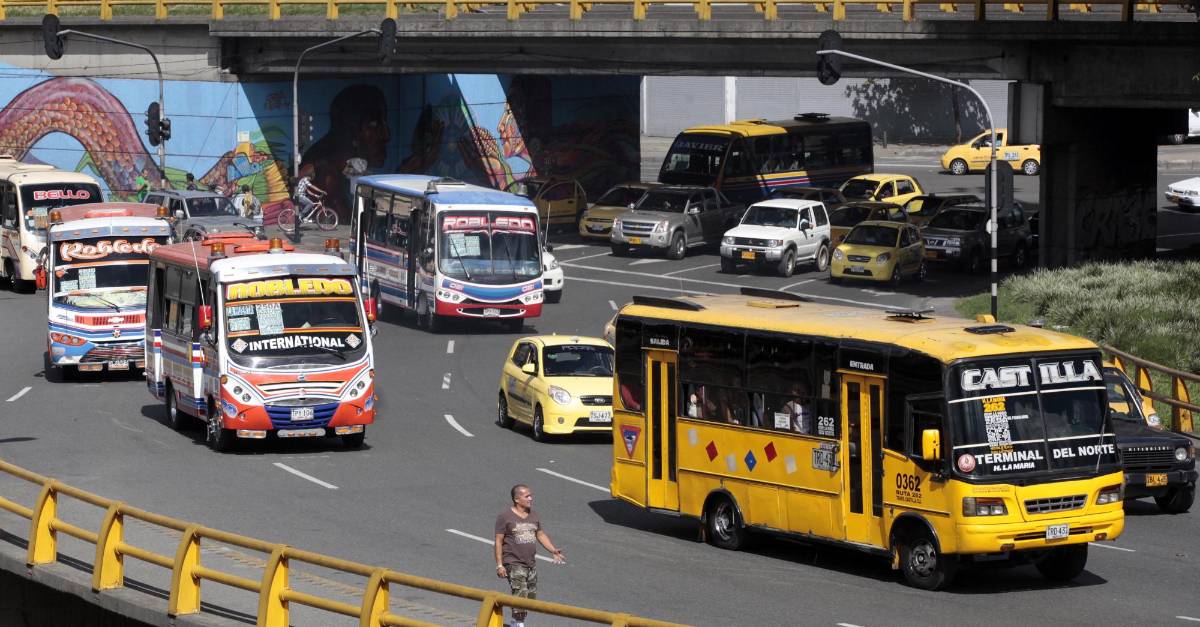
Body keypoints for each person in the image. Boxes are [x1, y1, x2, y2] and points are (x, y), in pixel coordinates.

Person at [495, 484, 563, 627]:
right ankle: (517, 624)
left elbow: (540, 534)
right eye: (527, 496)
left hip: (530, 564)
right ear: (517, 499)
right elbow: (498, 541)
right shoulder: (505, 517)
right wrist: (500, 564)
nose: (531, 498)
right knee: (520, 596)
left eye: (531, 495)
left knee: (529, 599)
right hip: (513, 562)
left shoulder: (533, 515)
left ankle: (517, 621)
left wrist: (553, 550)